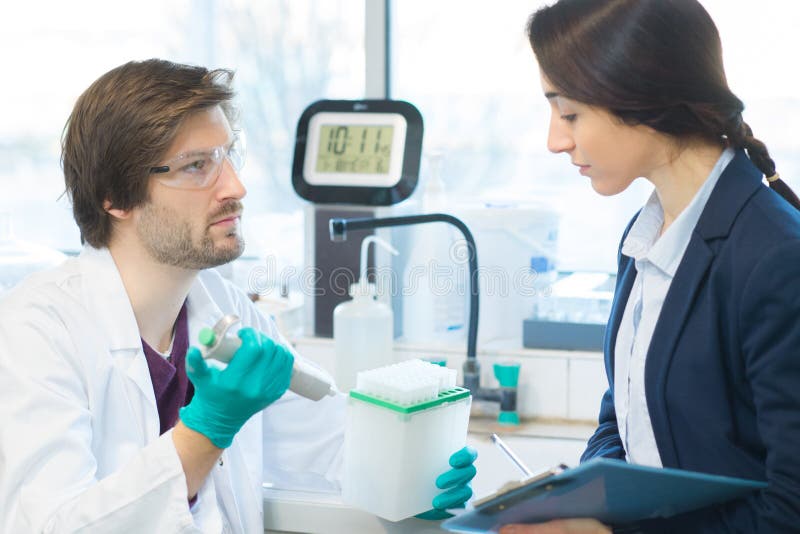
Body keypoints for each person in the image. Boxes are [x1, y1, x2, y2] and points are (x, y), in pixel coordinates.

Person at [0, 59, 475, 532]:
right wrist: (206, 430)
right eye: (196, 166)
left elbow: (328, 440)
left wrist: (415, 474)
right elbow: (51, 525)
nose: (235, 187)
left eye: (227, 157)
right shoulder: (37, 331)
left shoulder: (225, 307)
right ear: (115, 196)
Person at [500, 1, 800, 533]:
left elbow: (790, 511)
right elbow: (624, 420)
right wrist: (564, 499)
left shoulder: (776, 258)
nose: (555, 140)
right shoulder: (645, 237)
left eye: (569, 113)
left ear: (639, 97)